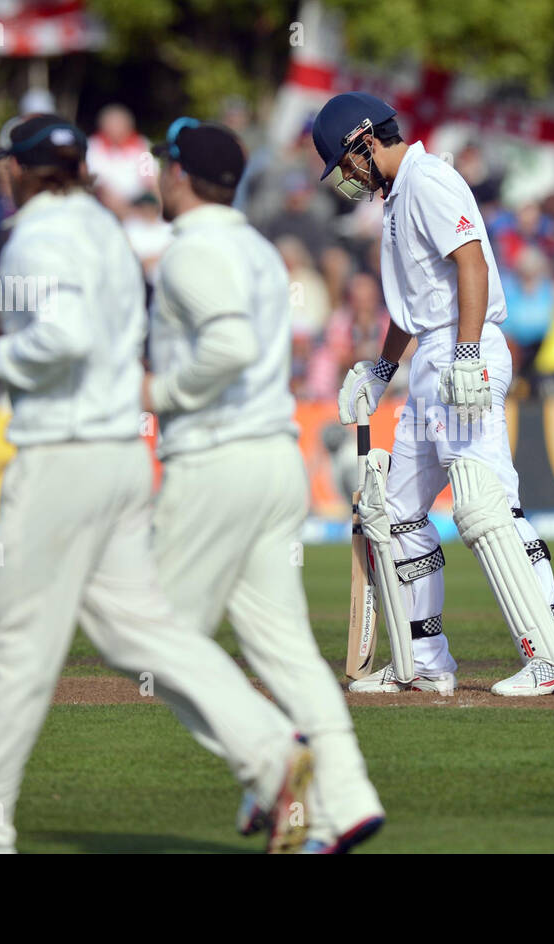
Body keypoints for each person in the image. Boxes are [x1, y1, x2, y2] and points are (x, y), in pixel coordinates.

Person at [0, 115, 314, 855]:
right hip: (117, 454)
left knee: (15, 643)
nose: (0, 174)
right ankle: (273, 751)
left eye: (4, 163)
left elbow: (67, 334)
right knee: (139, 631)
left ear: (19, 169)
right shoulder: (106, 230)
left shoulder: (38, 235)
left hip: (63, 455)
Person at [142, 118, 384, 853]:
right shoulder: (251, 245)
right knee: (282, 648)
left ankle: (273, 765)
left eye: (161, 166)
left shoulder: (192, 252)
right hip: (276, 460)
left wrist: (159, 392)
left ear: (180, 175)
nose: (156, 178)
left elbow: (230, 344)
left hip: (218, 463)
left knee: (153, 641)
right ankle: (346, 801)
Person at [312, 91, 554, 696]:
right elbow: (410, 309)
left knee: (484, 505)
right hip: (433, 358)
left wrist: (466, 355)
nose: (348, 179)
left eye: (345, 162)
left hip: (464, 350)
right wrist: (381, 372)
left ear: (363, 142)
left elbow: (472, 263)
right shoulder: (396, 198)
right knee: (398, 510)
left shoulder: (428, 177)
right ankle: (424, 661)